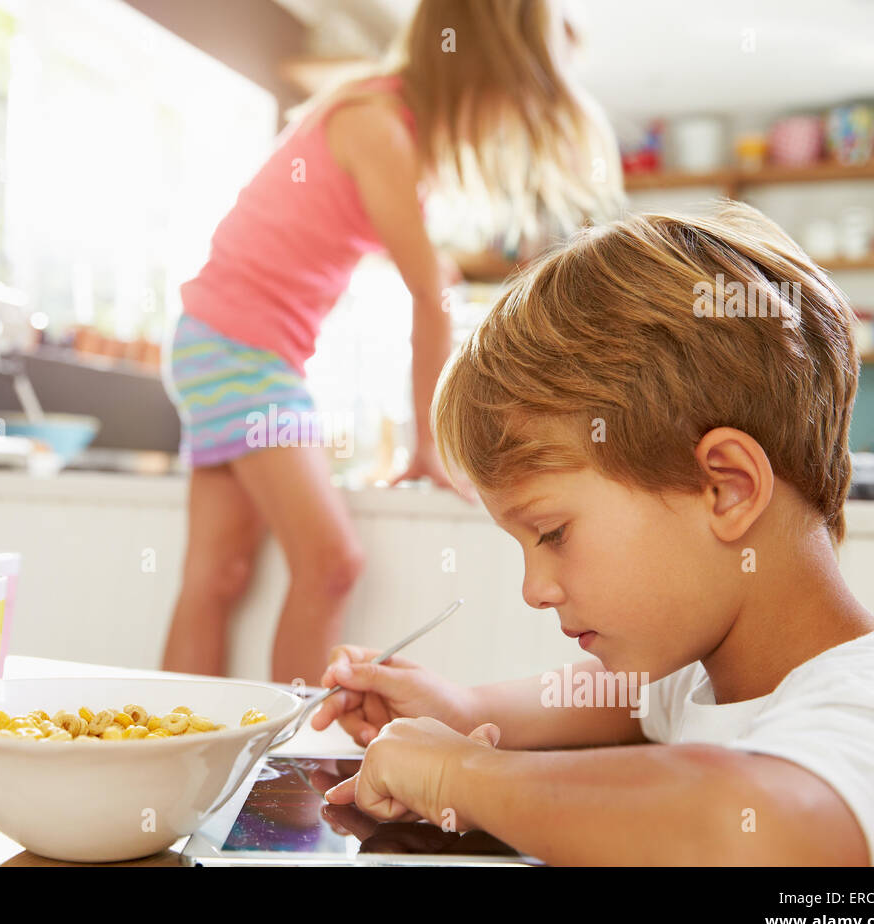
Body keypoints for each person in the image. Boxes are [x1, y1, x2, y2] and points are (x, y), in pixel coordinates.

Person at [314, 202, 874, 865]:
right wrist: (459, 708)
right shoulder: (699, 680)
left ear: (726, 489)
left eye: (553, 532)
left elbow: (752, 825)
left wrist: (457, 775)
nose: (534, 589)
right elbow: (609, 701)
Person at [162, 0, 621, 684]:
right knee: (331, 564)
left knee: (219, 575)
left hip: (220, 344)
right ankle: (298, 760)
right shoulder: (375, 124)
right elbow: (429, 297)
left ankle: (184, 764)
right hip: (237, 350)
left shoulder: (383, 119)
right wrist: (431, 447)